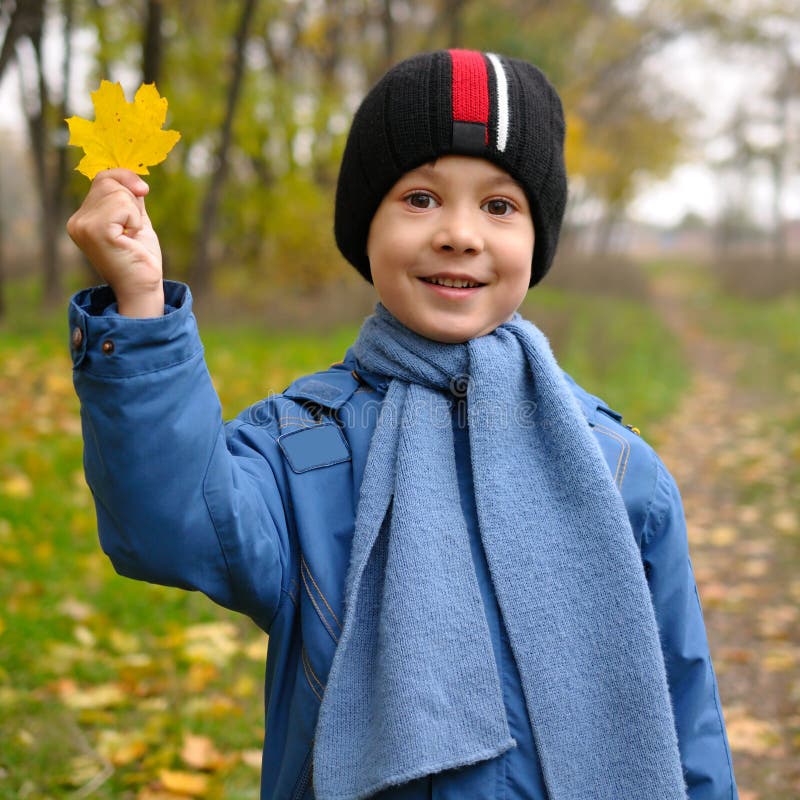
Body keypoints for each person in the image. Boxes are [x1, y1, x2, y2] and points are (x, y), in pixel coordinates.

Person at [66, 49, 738, 800]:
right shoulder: (302, 448)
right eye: (420, 199)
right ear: (367, 227)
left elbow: (683, 709)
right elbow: (168, 525)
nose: (458, 233)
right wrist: (142, 308)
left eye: (499, 205)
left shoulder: (616, 470)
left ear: (536, 240)